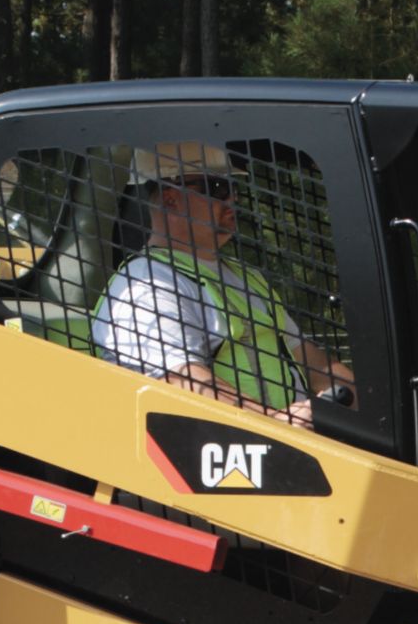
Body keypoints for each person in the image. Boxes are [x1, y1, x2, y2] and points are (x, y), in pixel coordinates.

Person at [89, 143, 351, 423]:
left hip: (284, 445)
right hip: (223, 453)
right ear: (170, 200)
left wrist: (374, 411)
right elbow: (182, 380)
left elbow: (317, 365)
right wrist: (277, 424)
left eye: (232, 189)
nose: (231, 201)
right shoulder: (145, 285)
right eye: (216, 188)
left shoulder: (246, 276)